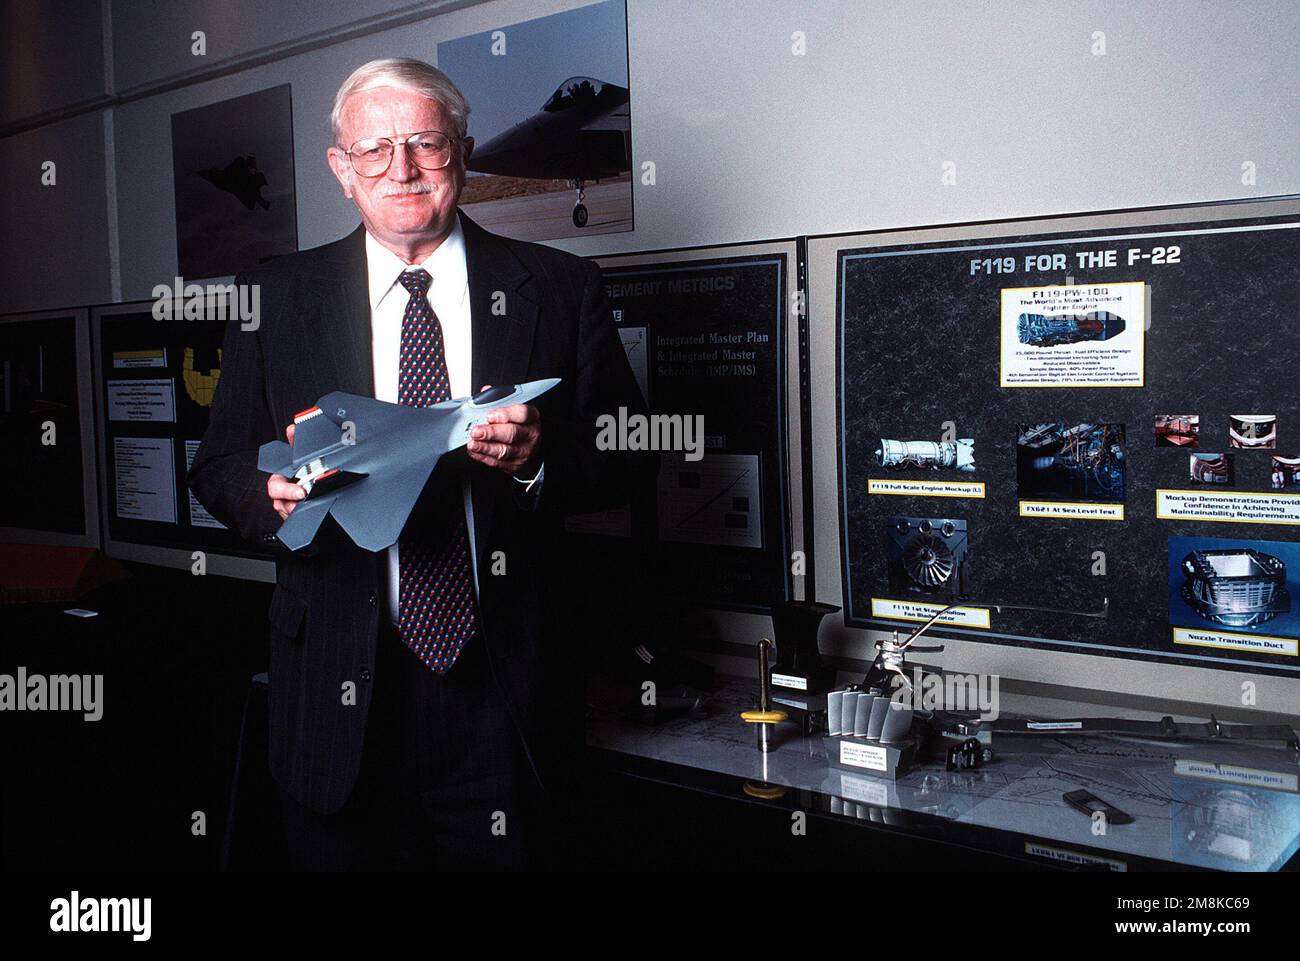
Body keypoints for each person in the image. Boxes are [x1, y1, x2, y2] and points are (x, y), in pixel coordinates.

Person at [190, 57, 653, 870]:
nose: (401, 170)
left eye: (425, 146)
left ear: (463, 154)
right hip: (335, 693)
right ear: (341, 170)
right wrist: (269, 496)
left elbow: (628, 452)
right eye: (374, 151)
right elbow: (218, 465)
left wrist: (539, 457)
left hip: (502, 696)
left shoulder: (559, 284)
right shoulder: (274, 297)